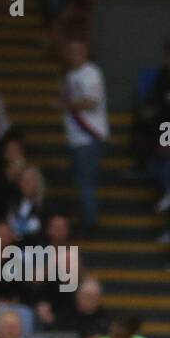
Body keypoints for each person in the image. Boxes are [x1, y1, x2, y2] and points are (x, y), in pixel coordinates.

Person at [59, 39, 108, 234]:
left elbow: (91, 102)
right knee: (78, 180)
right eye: (71, 51)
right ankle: (83, 217)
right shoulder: (70, 75)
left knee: (85, 181)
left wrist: (66, 105)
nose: (74, 55)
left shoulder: (92, 73)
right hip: (76, 138)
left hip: (89, 137)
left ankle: (90, 222)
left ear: (85, 52)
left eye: (78, 51)